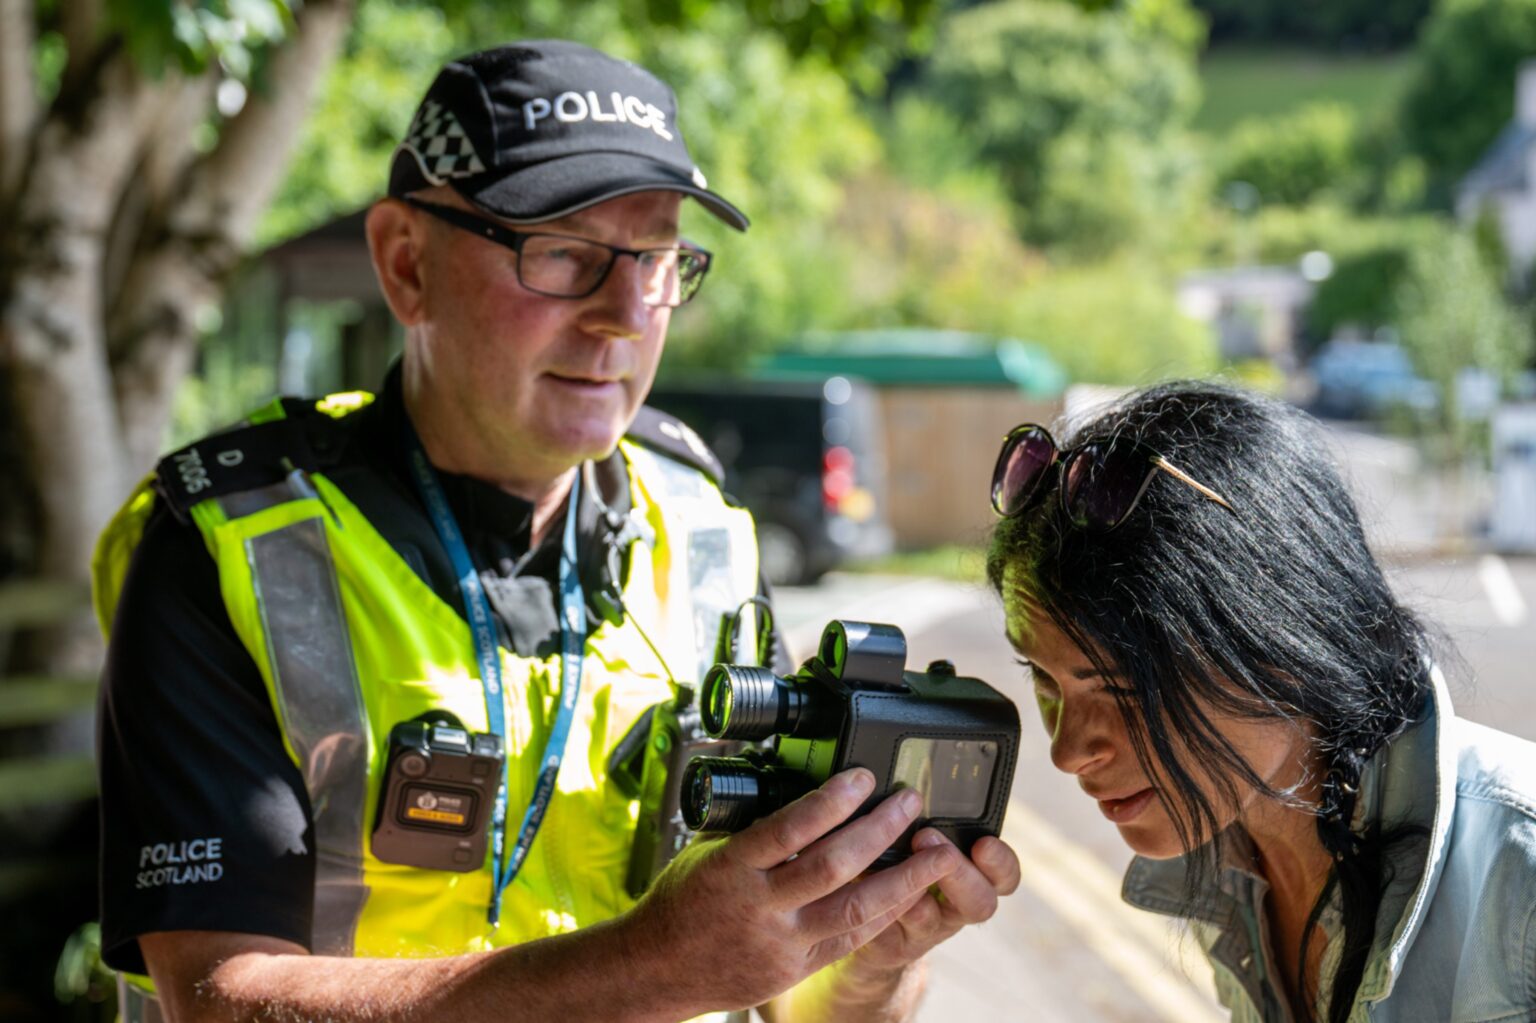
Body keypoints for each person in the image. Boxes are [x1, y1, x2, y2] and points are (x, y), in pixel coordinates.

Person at [94, 41, 1020, 1023]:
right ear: (406, 263)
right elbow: (220, 1000)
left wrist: (868, 959)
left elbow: (792, 999)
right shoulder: (232, 539)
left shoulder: (703, 529)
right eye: (565, 254)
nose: (624, 316)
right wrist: (652, 966)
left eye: (656, 260)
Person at [986, 382, 1536, 1023]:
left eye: (1126, 686)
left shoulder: (1519, 876)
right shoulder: (1230, 858)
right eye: (1043, 679)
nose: (1068, 752)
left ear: (1285, 637)